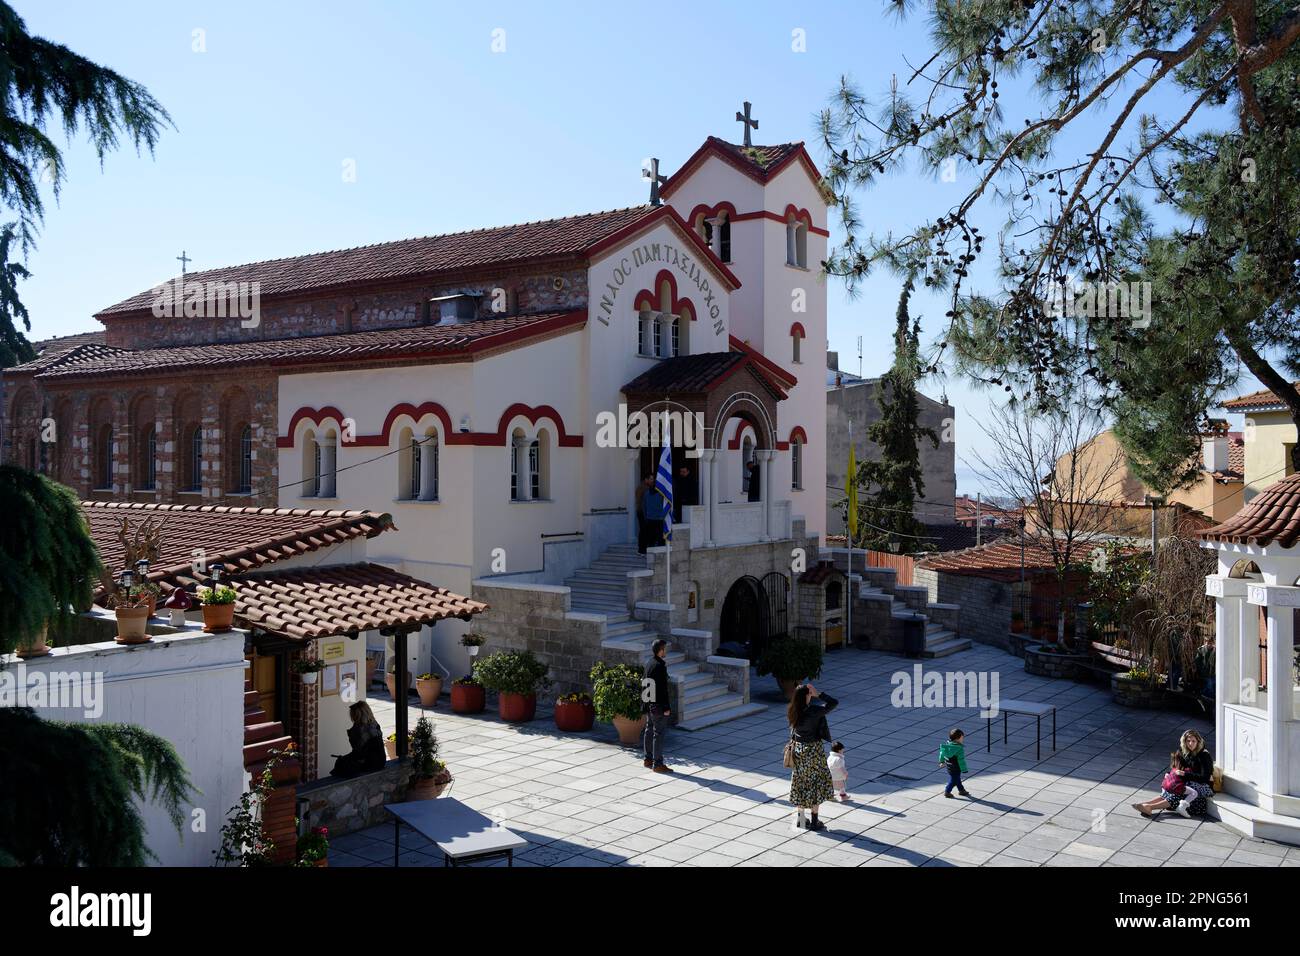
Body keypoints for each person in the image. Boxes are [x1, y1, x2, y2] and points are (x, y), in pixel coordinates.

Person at [787, 683, 838, 831]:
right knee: (815, 783)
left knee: (800, 782)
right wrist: (819, 694)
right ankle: (815, 822)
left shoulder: (792, 710)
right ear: (807, 696)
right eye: (809, 693)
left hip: (798, 749)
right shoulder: (814, 711)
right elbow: (834, 703)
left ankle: (801, 820)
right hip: (813, 750)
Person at [1132, 729, 1214, 818]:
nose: (1190, 743)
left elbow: (1205, 777)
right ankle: (1145, 804)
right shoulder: (1186, 753)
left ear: (1198, 741)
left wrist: (1185, 775)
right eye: (1188, 741)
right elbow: (1179, 769)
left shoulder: (1204, 755)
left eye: (1193, 741)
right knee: (1174, 787)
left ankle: (1150, 807)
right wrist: (1170, 774)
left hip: (1203, 787)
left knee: (1178, 791)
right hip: (1190, 783)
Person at [329, 701, 386, 778]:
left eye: (353, 715)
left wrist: (344, 759)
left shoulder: (361, 729)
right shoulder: (374, 724)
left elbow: (359, 752)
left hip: (371, 763)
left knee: (341, 764)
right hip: (380, 760)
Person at [642, 638, 672, 773]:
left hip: (649, 704)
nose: (666, 651)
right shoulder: (660, 666)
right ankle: (658, 764)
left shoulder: (649, 663)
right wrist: (666, 708)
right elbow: (662, 689)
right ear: (661, 650)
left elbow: (645, 683)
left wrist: (645, 704)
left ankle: (647, 759)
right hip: (658, 706)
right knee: (658, 733)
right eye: (665, 649)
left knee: (649, 730)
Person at [939, 728, 970, 798]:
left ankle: (961, 790)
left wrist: (941, 761)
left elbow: (942, 753)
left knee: (957, 779)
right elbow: (961, 760)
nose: (963, 739)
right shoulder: (959, 749)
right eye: (962, 738)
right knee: (953, 781)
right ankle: (947, 791)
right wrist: (964, 769)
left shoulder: (947, 745)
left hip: (949, 767)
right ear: (957, 739)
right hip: (956, 767)